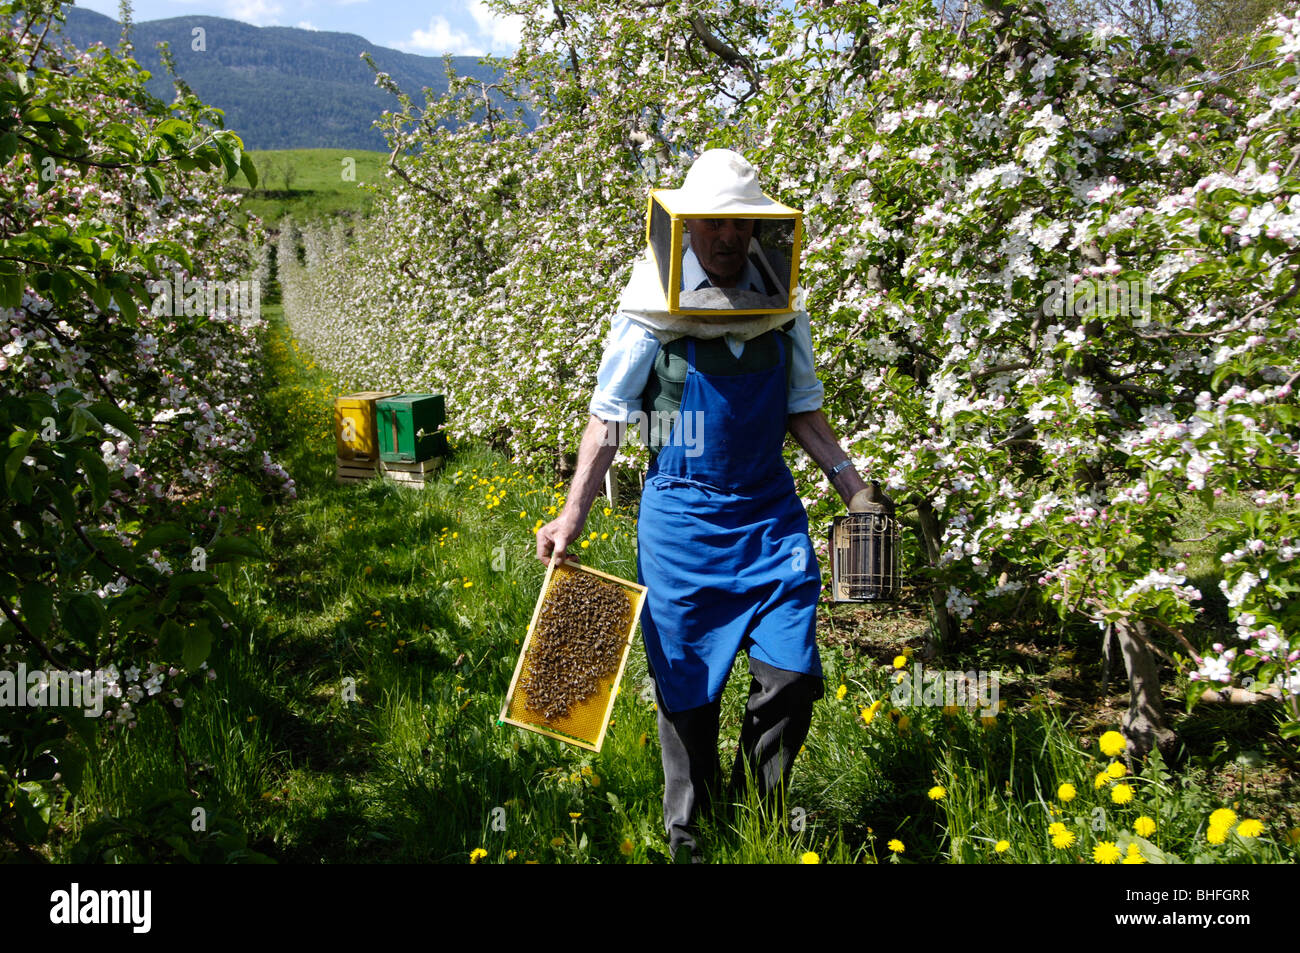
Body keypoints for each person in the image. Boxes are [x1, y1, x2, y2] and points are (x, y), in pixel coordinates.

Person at [536, 149, 868, 861]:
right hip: (683, 522)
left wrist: (853, 486)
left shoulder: (780, 309)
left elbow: (803, 411)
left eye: (738, 226)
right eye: (711, 223)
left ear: (758, 233)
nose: (725, 237)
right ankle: (691, 836)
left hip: (771, 516)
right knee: (687, 687)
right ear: (685, 228)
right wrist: (574, 515)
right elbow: (610, 417)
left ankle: (763, 815)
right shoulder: (649, 309)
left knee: (792, 672)